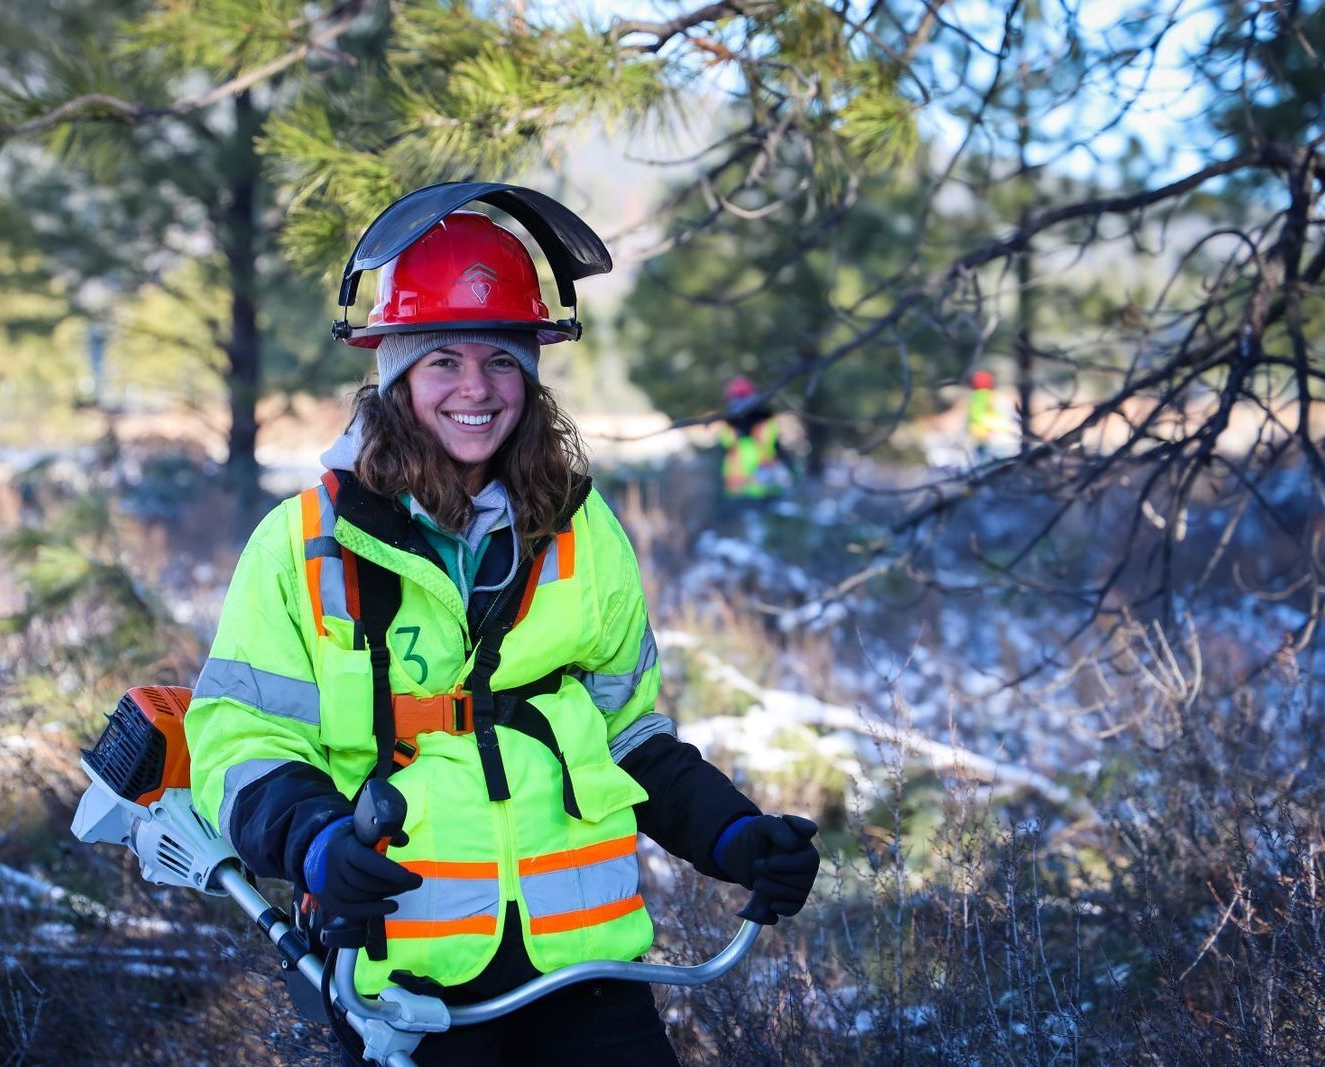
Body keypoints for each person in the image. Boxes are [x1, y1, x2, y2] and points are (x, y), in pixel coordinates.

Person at [184, 183, 820, 1065]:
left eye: (501, 359)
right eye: (442, 359)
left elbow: (630, 734)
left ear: (531, 370)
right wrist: (319, 843)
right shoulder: (304, 546)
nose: (475, 389)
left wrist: (734, 834)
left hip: (589, 972)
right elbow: (238, 741)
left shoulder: (582, 527)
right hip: (405, 984)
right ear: (394, 371)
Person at [717, 376, 795, 506]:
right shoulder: (729, 425)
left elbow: (776, 450)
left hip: (765, 492)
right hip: (736, 495)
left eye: (741, 397)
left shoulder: (765, 423)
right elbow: (724, 454)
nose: (737, 402)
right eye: (735, 398)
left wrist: (783, 471)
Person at [965, 368, 1006, 461]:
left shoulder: (980, 396)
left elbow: (978, 416)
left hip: (985, 437)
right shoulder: (989, 395)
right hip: (988, 437)